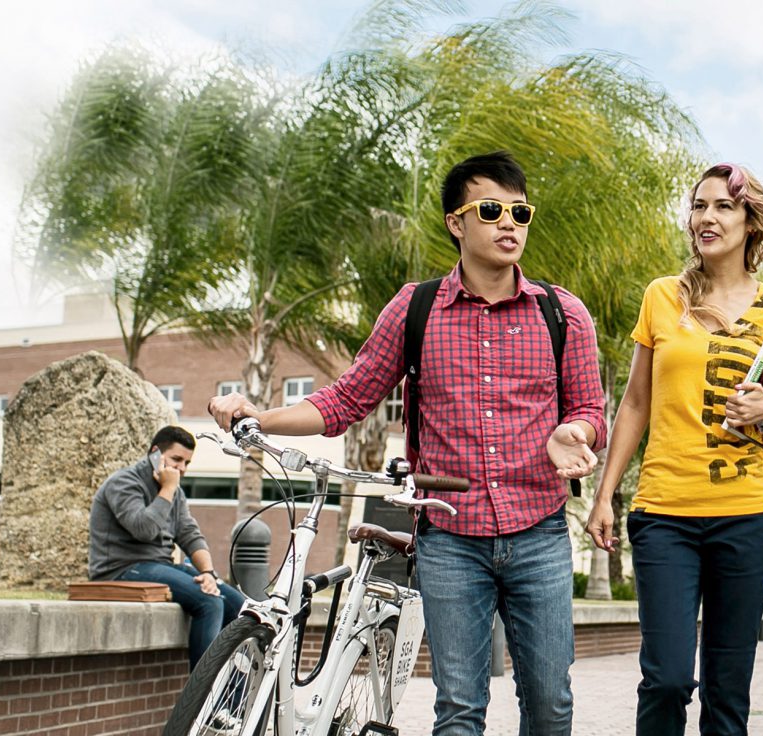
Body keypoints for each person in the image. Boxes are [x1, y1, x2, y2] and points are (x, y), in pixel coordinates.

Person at [209, 151, 606, 736]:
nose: (509, 224)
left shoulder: (562, 312)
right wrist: (260, 416)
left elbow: (589, 408)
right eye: (492, 209)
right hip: (449, 539)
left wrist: (577, 432)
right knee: (459, 709)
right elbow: (346, 401)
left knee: (550, 704)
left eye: (521, 213)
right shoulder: (415, 308)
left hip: (540, 533)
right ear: (456, 222)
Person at [584, 163, 763, 735]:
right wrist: (605, 493)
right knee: (665, 679)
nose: (706, 218)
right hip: (665, 514)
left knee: (727, 688)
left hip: (747, 516)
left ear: (751, 222)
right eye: (699, 206)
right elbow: (635, 403)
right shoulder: (663, 297)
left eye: (722, 206)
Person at [87, 425, 247, 669]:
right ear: (155, 453)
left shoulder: (176, 493)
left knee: (236, 603)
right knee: (210, 602)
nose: (181, 468)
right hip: (122, 568)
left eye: (187, 463)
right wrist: (168, 488)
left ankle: (231, 699)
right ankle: (202, 697)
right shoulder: (123, 482)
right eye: (176, 459)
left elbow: (190, 534)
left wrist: (207, 573)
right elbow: (144, 529)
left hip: (158, 567)